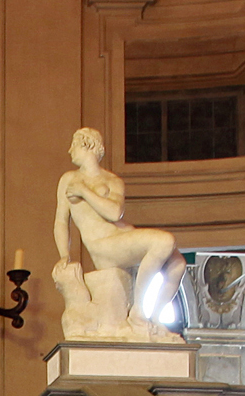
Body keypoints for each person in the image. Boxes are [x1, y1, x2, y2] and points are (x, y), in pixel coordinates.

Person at [49, 127, 181, 340]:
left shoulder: (112, 181)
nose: (69, 150)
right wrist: (65, 254)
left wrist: (84, 191)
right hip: (103, 246)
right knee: (164, 241)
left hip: (120, 237)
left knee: (178, 263)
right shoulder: (68, 179)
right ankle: (138, 313)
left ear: (88, 145)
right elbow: (60, 220)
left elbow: (114, 212)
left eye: (74, 144)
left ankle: (153, 318)